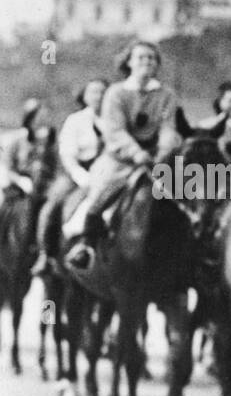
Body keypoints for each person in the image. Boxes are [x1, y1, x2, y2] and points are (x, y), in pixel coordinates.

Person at [65, 42, 180, 270]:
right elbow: (115, 130)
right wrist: (136, 153)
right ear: (129, 62)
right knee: (99, 199)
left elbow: (168, 127)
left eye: (151, 58)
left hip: (157, 160)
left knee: (187, 198)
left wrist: (163, 151)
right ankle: (86, 245)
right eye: (141, 58)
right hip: (119, 161)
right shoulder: (116, 93)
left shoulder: (166, 94)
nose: (147, 62)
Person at [31, 80, 106, 276]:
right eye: (94, 92)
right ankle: (46, 254)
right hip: (77, 172)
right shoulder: (75, 120)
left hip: (107, 173)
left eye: (102, 92)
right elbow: (67, 154)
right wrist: (82, 176)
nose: (98, 96)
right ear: (85, 96)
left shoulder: (114, 119)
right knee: (52, 206)